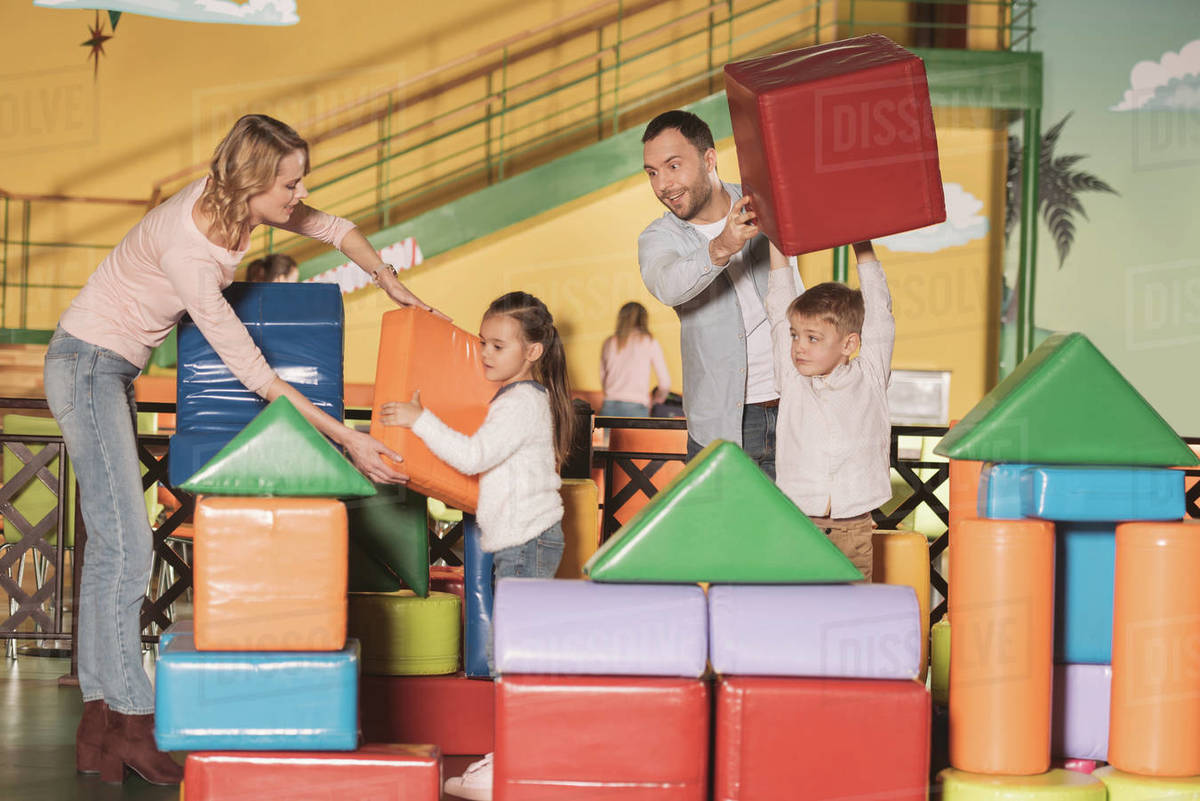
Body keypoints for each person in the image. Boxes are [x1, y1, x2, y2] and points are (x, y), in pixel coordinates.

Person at [44, 114, 437, 786]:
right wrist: (347, 439)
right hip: (85, 364)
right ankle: (133, 721)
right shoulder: (189, 253)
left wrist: (387, 279)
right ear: (253, 181)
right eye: (289, 182)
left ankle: (98, 727)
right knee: (130, 545)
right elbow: (260, 378)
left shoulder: (238, 205)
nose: (298, 192)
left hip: (107, 366)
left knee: (112, 546)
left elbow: (335, 228)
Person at [380, 291, 574, 801]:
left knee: (515, 659)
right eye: (483, 342)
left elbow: (472, 457)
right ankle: (511, 755)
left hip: (527, 542)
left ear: (532, 351)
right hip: (523, 540)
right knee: (513, 655)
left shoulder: (520, 404)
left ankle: (513, 763)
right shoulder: (522, 399)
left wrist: (417, 419)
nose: (485, 353)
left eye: (498, 345)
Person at [638, 109, 803, 477]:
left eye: (673, 166)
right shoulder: (658, 239)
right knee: (723, 535)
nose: (663, 184)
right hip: (724, 425)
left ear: (709, 159)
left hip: (798, 407)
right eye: (652, 173)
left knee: (796, 534)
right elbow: (668, 284)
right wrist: (722, 247)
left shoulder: (764, 201)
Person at [766, 239, 895, 580]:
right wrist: (776, 240)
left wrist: (861, 240)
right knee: (798, 613)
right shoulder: (793, 380)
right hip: (799, 524)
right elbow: (780, 300)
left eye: (812, 338)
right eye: (795, 336)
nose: (798, 347)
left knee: (850, 612)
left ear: (849, 344)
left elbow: (879, 310)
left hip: (853, 530)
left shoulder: (869, 376)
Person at [598, 301, 671, 417]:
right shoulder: (649, 342)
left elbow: (603, 378)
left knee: (605, 436)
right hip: (637, 408)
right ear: (643, 319)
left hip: (609, 406)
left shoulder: (609, 342)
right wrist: (657, 400)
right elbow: (665, 383)